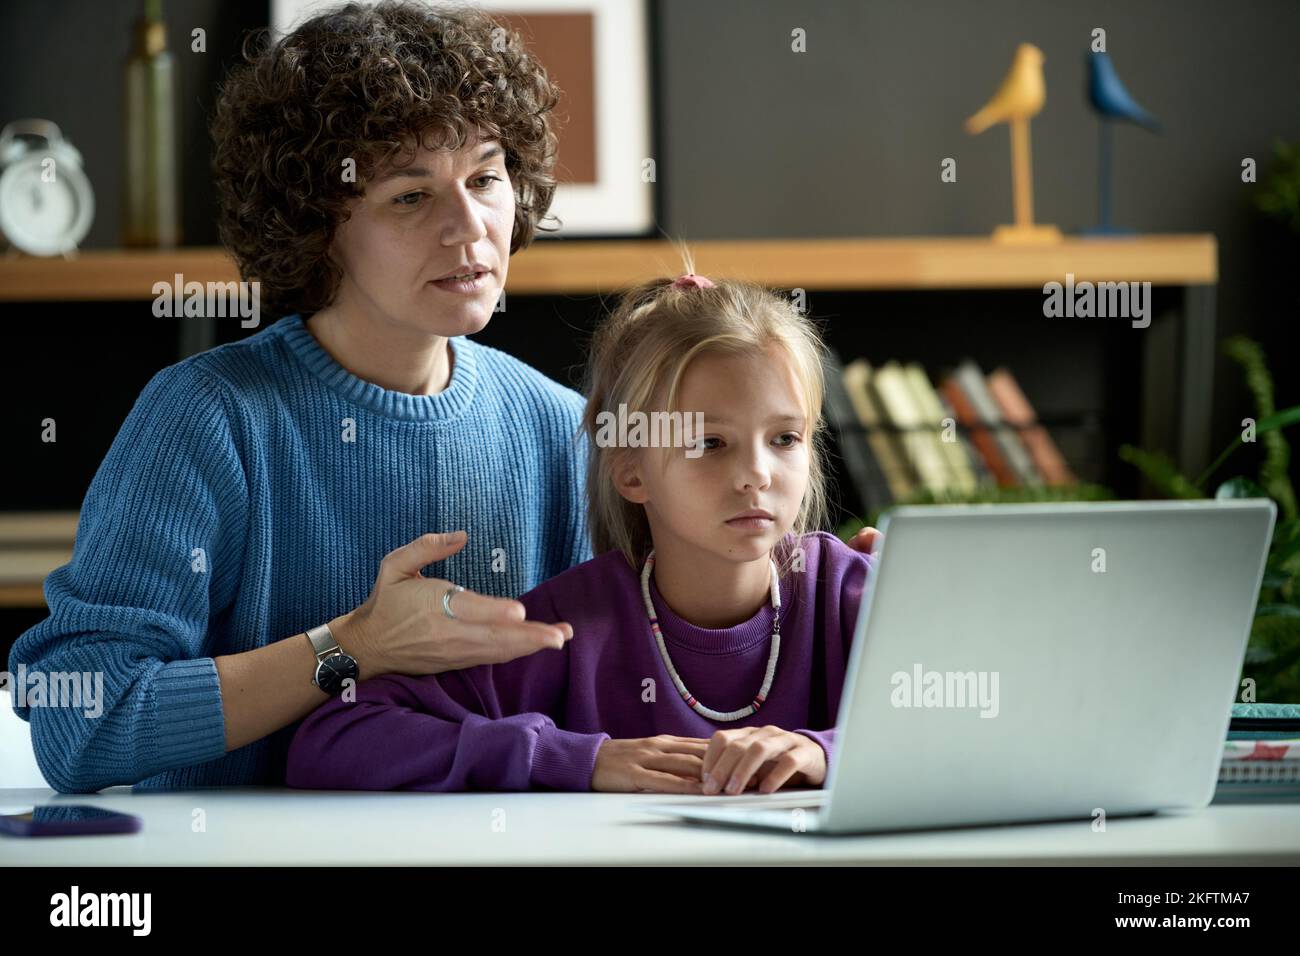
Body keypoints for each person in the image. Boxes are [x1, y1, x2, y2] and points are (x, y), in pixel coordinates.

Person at [8, 2, 589, 793]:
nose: (469, 228)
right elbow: (81, 724)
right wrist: (354, 646)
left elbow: (607, 696)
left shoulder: (560, 429)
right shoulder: (206, 417)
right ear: (318, 224)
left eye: (486, 178)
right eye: (411, 196)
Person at [286, 267, 877, 795]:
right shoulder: (566, 629)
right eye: (708, 443)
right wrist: (575, 758)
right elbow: (336, 737)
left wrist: (828, 751)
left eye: (785, 438)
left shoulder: (856, 594)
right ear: (630, 469)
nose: (756, 475)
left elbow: (966, 713)